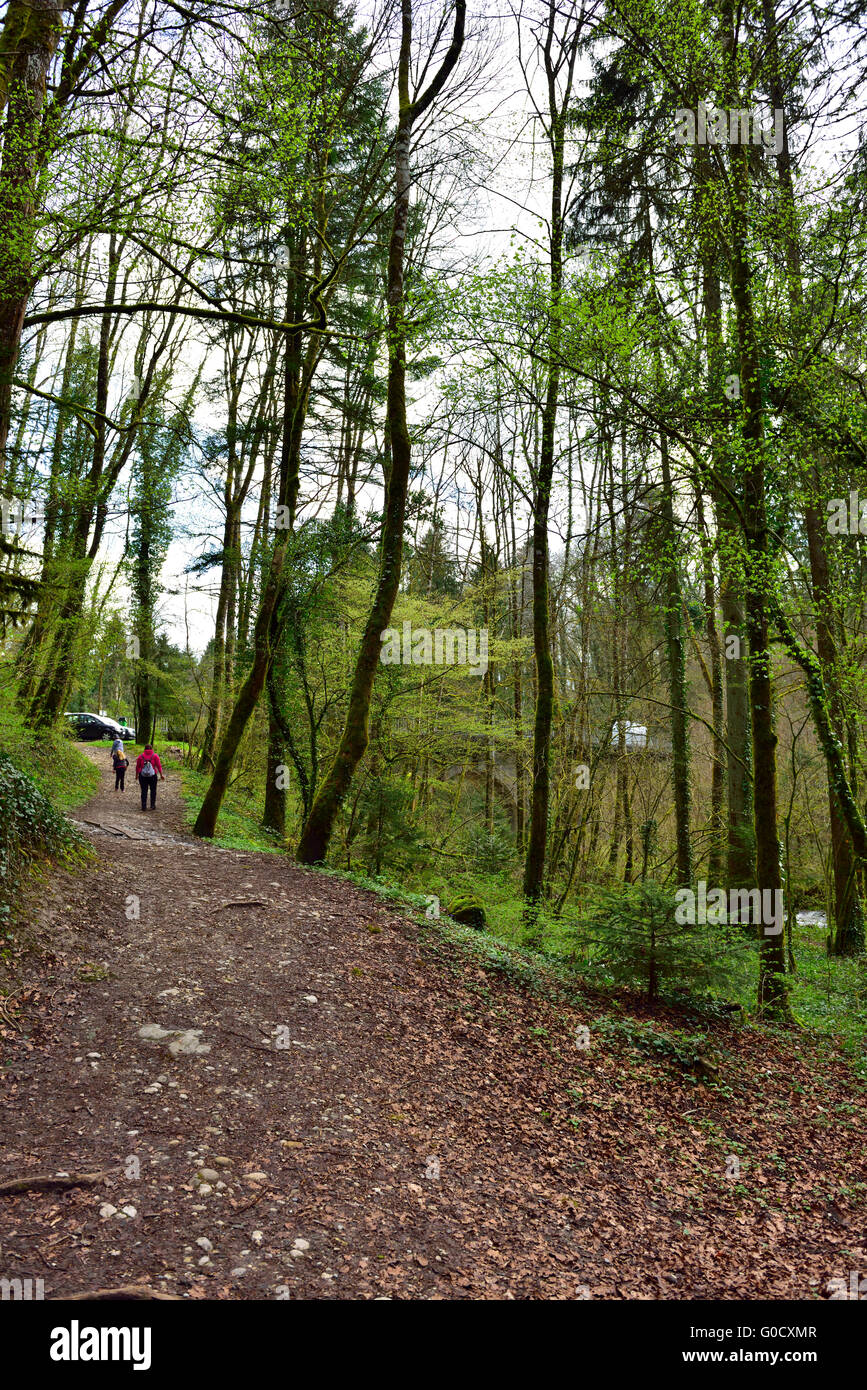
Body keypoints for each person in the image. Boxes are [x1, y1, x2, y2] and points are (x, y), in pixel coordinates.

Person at [136, 744, 164, 810]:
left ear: (144, 749)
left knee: (144, 791)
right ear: (151, 749)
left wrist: (136, 775)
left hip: (142, 776)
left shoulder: (141, 756)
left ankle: (144, 806)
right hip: (153, 776)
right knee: (153, 790)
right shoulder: (155, 756)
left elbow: (138, 767)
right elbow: (159, 766)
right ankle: (152, 805)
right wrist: (161, 775)